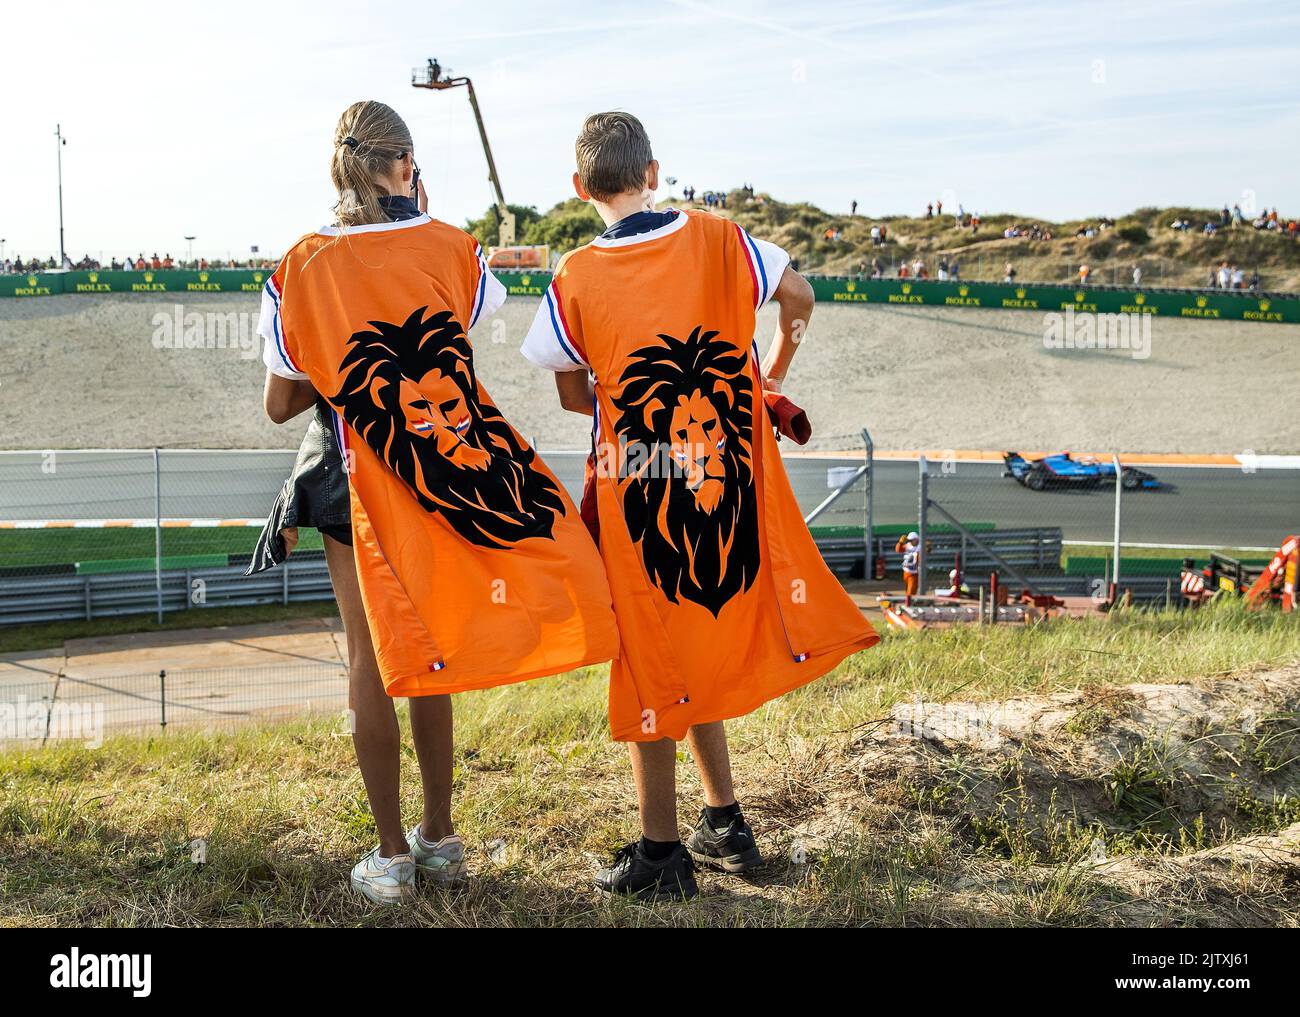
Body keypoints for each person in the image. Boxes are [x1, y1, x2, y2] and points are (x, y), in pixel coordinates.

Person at [257, 99, 618, 905]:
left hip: (353, 476)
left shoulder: (300, 264)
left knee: (370, 660)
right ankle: (441, 838)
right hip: (444, 476)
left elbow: (281, 404)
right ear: (404, 167)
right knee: (433, 644)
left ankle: (389, 857)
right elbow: (459, 320)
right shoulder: (455, 246)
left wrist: (345, 358)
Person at [521, 112, 879, 901]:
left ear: (581, 189)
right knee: (695, 626)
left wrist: (637, 415)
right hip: (728, 466)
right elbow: (801, 296)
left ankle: (661, 851)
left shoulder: (575, 274)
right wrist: (772, 372)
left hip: (637, 477)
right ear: (655, 172)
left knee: (649, 646)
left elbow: (572, 388)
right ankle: (725, 818)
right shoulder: (723, 238)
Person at [896, 531, 920, 596]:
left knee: (911, 589)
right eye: (909, 540)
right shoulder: (907, 546)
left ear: (916, 539)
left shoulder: (920, 547)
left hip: (914, 572)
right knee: (907, 589)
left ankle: (910, 602)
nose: (910, 542)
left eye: (912, 540)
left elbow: (927, 551)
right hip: (906, 571)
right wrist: (900, 543)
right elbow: (898, 550)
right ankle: (908, 600)